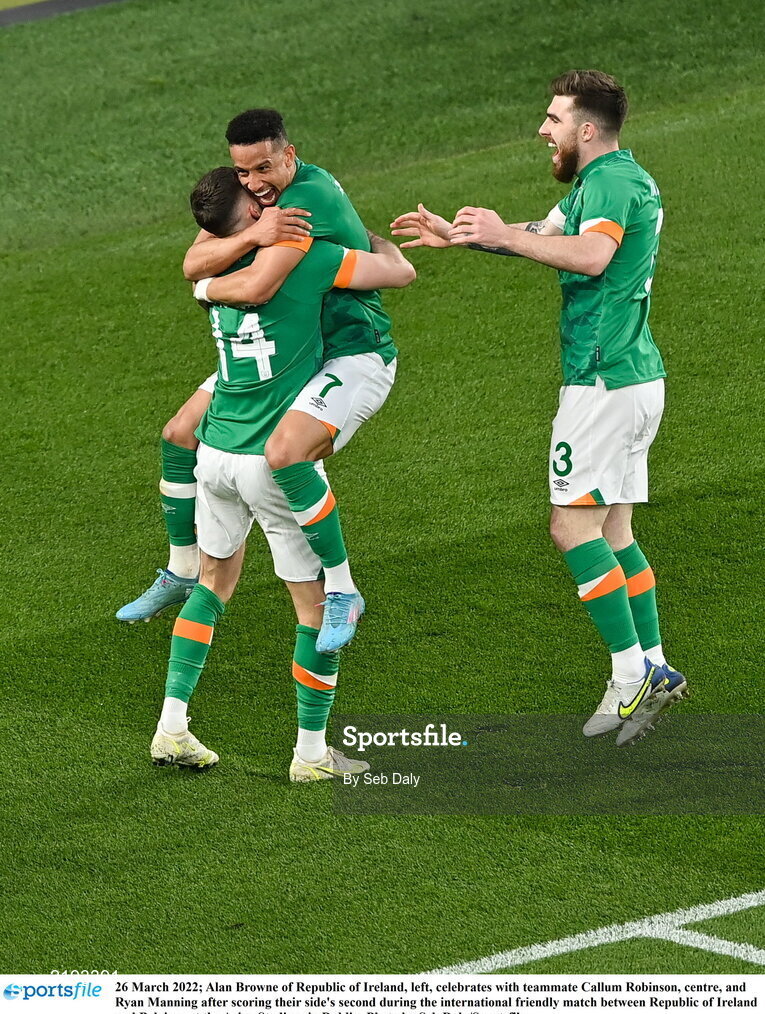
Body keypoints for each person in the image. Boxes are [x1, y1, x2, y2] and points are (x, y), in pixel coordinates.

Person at [390, 69, 686, 746]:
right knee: (613, 534)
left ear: (586, 129)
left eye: (553, 119)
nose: (542, 129)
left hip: (601, 381)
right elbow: (543, 231)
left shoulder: (608, 182)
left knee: (569, 530)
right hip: (634, 377)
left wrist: (503, 234)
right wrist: (469, 235)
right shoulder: (608, 180)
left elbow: (587, 255)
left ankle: (628, 674)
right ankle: (656, 667)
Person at [151, 167, 415, 778]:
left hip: (214, 453)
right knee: (313, 607)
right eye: (257, 196)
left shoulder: (214, 273)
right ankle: (312, 754)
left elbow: (210, 270)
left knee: (213, 585)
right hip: (266, 459)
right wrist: (365, 236)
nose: (271, 198)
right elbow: (399, 274)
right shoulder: (311, 259)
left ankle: (172, 727)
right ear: (251, 216)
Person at [119, 109, 399, 652]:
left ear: (289, 155)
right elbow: (192, 259)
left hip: (348, 351)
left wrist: (207, 290)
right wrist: (253, 236)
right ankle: (181, 569)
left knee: (287, 453)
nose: (253, 184)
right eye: (243, 172)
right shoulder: (263, 203)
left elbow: (256, 287)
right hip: (288, 347)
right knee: (179, 433)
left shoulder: (302, 204)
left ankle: (341, 590)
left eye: (263, 169)